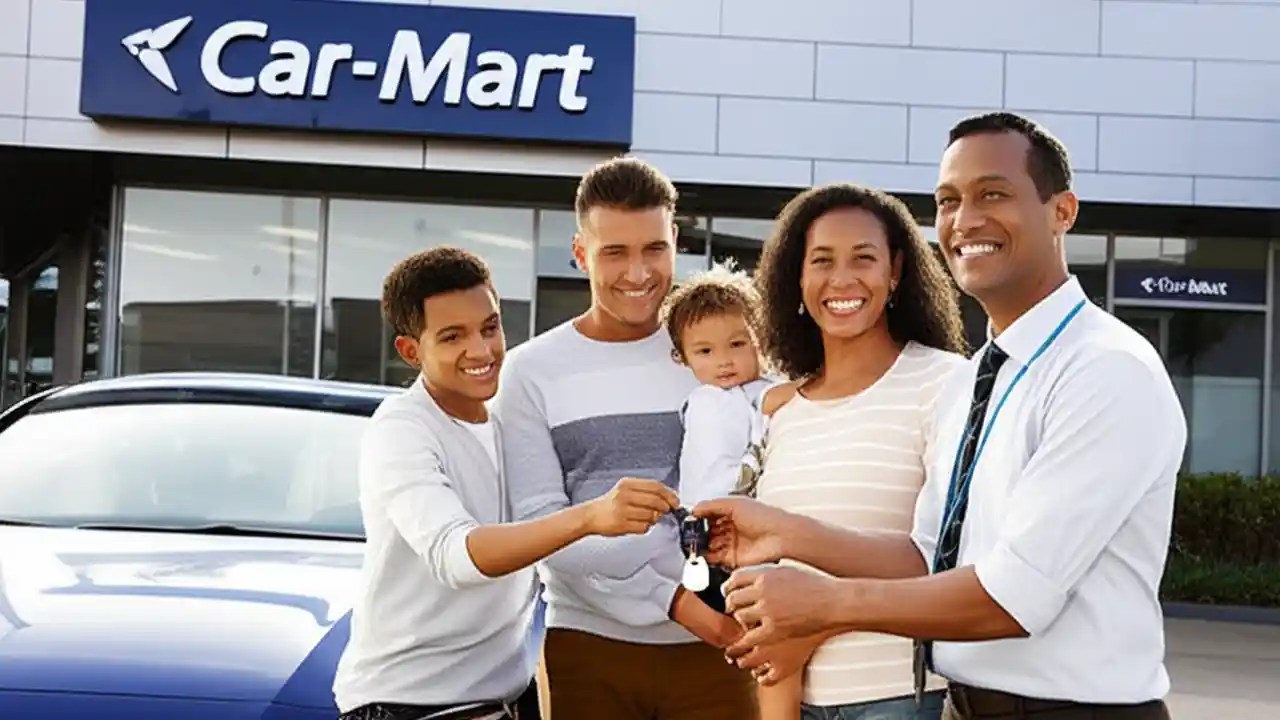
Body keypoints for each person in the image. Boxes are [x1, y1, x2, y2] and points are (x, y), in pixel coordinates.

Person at [696, 112, 1185, 720]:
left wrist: (827, 604)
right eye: (948, 201)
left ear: (1062, 211)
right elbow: (928, 559)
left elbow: (1012, 597)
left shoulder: (1105, 369)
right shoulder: (978, 377)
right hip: (964, 707)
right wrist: (784, 533)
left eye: (993, 194)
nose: (965, 220)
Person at [332, 247, 681, 720]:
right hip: (408, 705)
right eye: (453, 337)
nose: (481, 350)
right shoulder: (401, 428)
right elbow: (458, 556)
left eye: (489, 328)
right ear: (411, 350)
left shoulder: (509, 421)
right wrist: (590, 517)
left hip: (505, 699)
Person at [492, 156, 758, 720]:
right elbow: (541, 529)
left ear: (675, 242)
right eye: (615, 252)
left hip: (720, 648)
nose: (638, 273)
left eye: (653, 249)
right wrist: (674, 603)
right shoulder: (529, 371)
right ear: (580, 251)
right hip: (591, 649)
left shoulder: (717, 353)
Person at [743, 183, 968, 720]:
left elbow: (952, 564)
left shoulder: (945, 384)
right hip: (793, 701)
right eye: (821, 260)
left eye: (862, 259)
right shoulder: (778, 409)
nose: (841, 279)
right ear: (797, 279)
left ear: (894, 272)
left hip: (903, 698)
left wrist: (816, 623)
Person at [658, 261, 777, 613]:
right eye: (705, 351)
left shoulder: (767, 387)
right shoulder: (708, 401)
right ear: (682, 357)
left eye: (738, 344)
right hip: (717, 536)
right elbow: (710, 475)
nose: (724, 361)